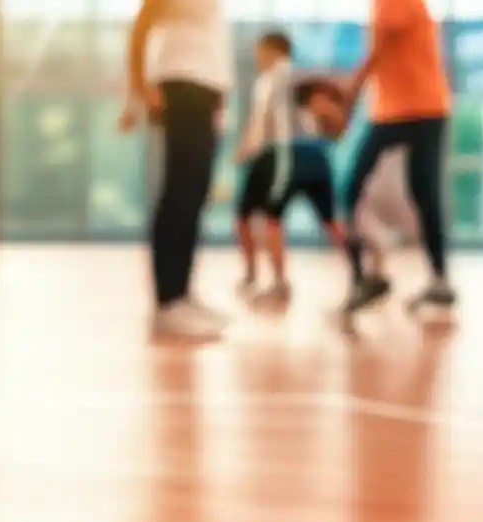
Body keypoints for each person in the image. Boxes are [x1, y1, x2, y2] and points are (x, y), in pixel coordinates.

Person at [121, 0, 233, 340]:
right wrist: (139, 88)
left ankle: (182, 294)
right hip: (181, 84)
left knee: (195, 193)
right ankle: (168, 303)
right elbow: (141, 25)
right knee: (180, 193)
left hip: (204, 90)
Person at [341, 0, 454, 321]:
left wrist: (352, 88)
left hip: (425, 106)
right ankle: (363, 279)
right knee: (352, 188)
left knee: (425, 193)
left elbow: (383, 46)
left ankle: (440, 282)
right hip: (390, 109)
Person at [234, 32, 349, 304]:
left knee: (269, 217)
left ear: (272, 50)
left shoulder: (283, 76)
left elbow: (318, 102)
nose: (257, 57)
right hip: (302, 154)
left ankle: (274, 281)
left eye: (260, 51)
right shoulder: (280, 80)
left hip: (283, 154)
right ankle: (360, 272)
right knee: (329, 221)